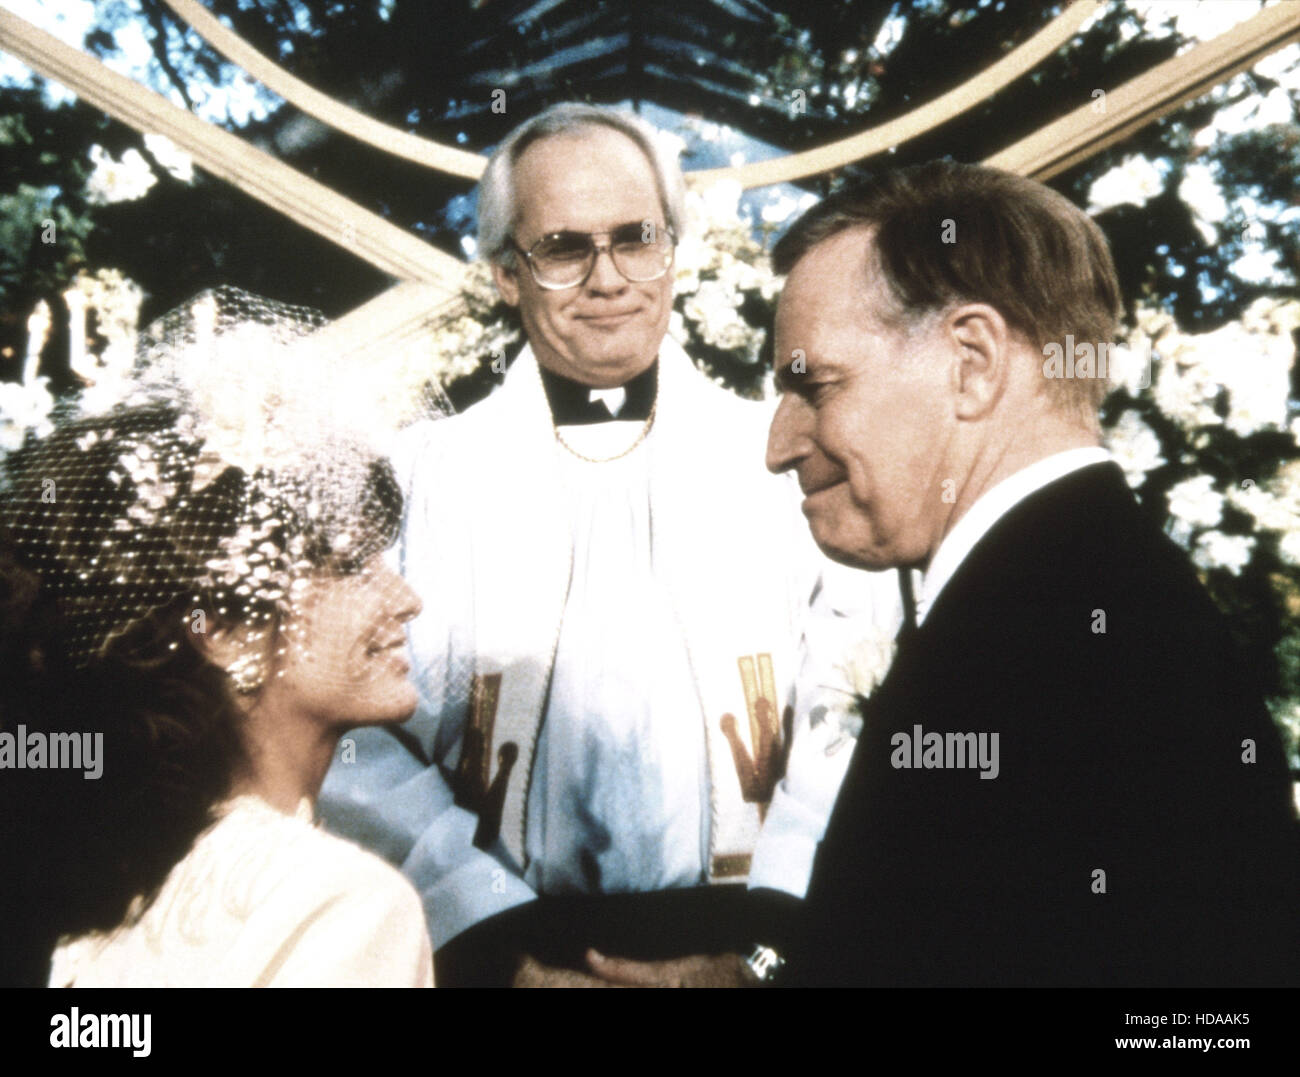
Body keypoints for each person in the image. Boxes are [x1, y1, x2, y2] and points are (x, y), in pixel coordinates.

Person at [320, 103, 898, 987]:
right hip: (503, 953)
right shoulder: (418, 480)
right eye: (563, 248)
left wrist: (762, 954)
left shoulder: (785, 464)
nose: (609, 278)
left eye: (637, 238)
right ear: (507, 274)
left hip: (748, 944)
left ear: (673, 252)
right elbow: (349, 730)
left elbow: (853, 704)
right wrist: (484, 937)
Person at [764, 160, 1300, 986]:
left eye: (814, 385)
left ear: (973, 361)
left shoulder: (1047, 641)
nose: (779, 446)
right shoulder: (1092, 600)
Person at [0, 294, 436, 987]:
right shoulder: (342, 905)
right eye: (352, 564)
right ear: (227, 633)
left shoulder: (109, 892)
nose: (406, 599)